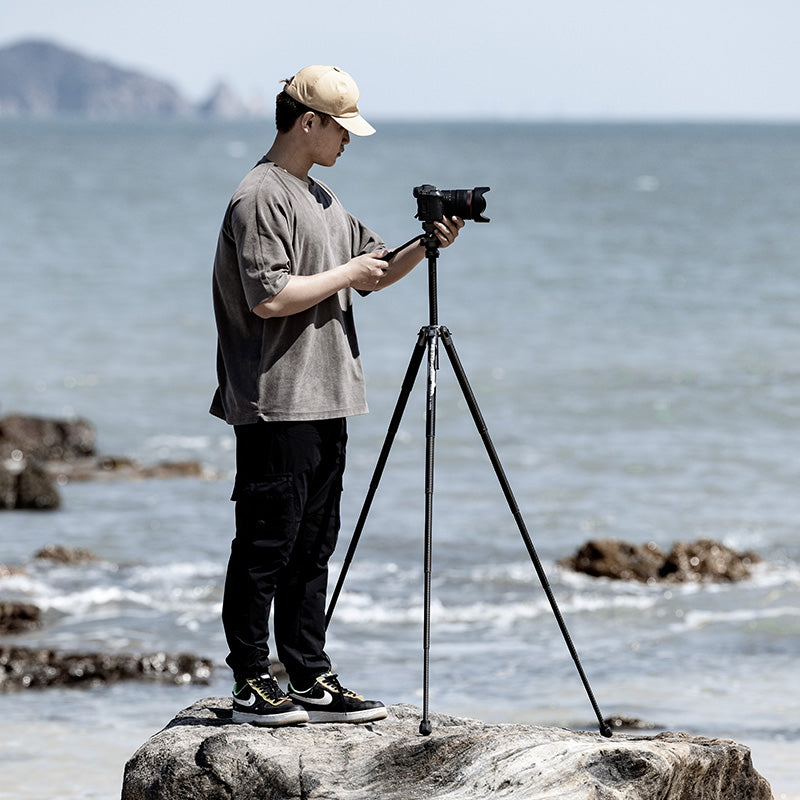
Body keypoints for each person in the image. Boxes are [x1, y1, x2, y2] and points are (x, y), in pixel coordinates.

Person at [210, 64, 463, 727]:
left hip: (329, 395)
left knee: (314, 543)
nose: (350, 141)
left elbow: (373, 273)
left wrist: (426, 243)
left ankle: (309, 675)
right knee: (265, 544)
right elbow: (269, 297)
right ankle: (249, 682)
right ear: (309, 122)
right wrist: (346, 273)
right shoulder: (259, 196)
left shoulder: (321, 197)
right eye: (342, 129)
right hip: (277, 399)